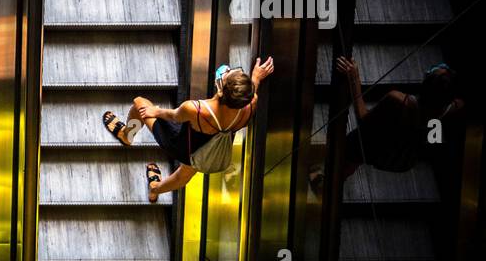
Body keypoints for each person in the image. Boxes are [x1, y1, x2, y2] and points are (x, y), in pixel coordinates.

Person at [101, 57, 275, 202]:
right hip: (204, 151)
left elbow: (174, 116)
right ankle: (154, 190)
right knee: (183, 176)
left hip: (181, 143)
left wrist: (156, 111)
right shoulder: (250, 107)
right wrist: (255, 79)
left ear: (220, 89)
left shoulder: (196, 109)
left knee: (140, 103)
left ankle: (126, 136)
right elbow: (249, 96)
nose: (229, 71)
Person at [309, 57, 463, 192]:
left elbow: (363, 119)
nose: (436, 68)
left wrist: (354, 79)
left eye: (434, 71)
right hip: (402, 158)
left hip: (381, 149)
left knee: (354, 145)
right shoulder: (452, 108)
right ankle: (340, 175)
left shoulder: (398, 101)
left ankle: (324, 181)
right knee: (359, 153)